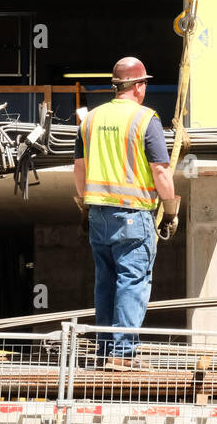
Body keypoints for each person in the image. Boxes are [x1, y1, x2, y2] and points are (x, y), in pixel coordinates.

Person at [73, 57, 180, 368]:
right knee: (133, 281)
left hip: (98, 215)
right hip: (133, 215)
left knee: (105, 283)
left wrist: (86, 206)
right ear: (139, 86)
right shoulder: (145, 119)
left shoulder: (90, 120)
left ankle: (106, 350)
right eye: (144, 83)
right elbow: (160, 169)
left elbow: (79, 169)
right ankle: (122, 355)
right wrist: (170, 210)